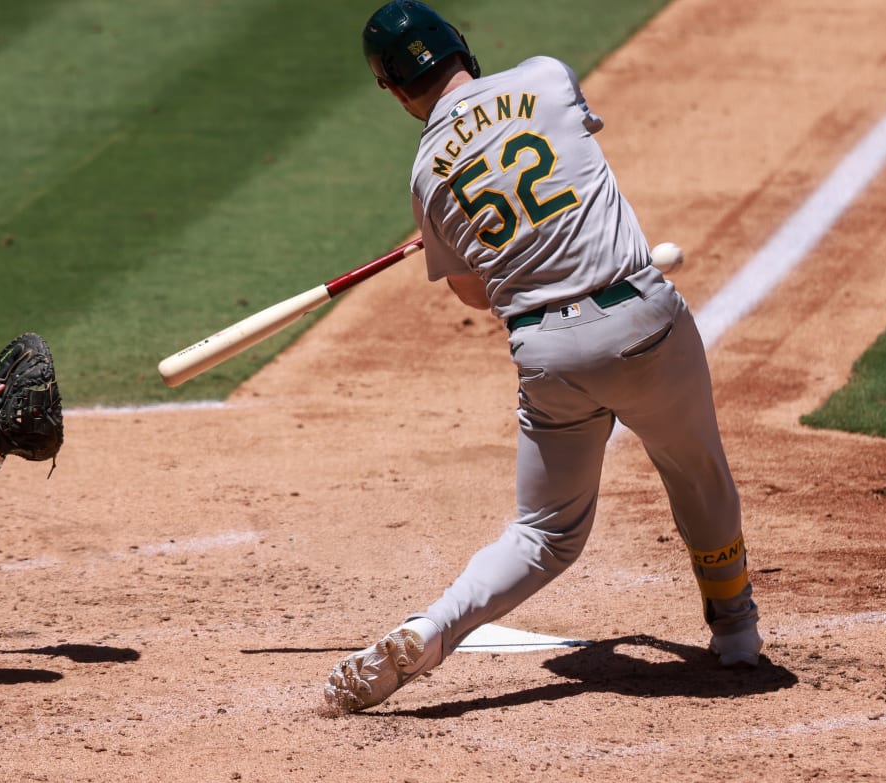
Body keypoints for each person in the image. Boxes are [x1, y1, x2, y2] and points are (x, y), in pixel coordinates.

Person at [325, 1, 764, 713]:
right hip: (643, 321)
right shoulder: (546, 78)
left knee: (543, 531)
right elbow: (568, 151)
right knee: (694, 469)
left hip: (550, 356)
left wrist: (447, 232)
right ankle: (737, 636)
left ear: (393, 89)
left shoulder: (427, 177)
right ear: (460, 46)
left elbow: (475, 293)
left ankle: (430, 628)